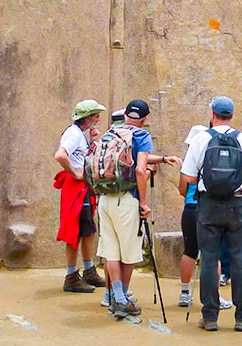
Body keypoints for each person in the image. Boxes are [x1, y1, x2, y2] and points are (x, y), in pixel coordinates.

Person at [180, 96, 242, 332]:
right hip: (237, 205)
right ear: (232, 115)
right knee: (239, 259)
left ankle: (210, 317)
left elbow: (188, 177)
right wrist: (236, 176)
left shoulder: (201, 139)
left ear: (212, 114)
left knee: (208, 258)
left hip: (208, 205)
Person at [96, 98, 180, 319]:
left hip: (105, 199)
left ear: (126, 116)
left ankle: (116, 298)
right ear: (144, 119)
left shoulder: (113, 133)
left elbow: (133, 159)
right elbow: (141, 170)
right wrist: (143, 203)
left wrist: (162, 159)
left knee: (111, 252)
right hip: (127, 200)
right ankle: (122, 300)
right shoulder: (141, 135)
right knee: (130, 252)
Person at [178, 125, 233, 311]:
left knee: (189, 250)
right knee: (212, 253)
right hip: (208, 208)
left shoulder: (188, 164)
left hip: (190, 209)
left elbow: (182, 189)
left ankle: (185, 293)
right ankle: (214, 295)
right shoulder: (214, 159)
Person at [54, 99, 107, 293]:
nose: (97, 119)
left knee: (87, 230)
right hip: (76, 187)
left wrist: (92, 143)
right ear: (87, 118)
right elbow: (60, 155)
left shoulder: (80, 135)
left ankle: (88, 269)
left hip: (82, 188)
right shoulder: (73, 134)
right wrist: (75, 173)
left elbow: (81, 157)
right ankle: (71, 276)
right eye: (95, 115)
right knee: (74, 231)